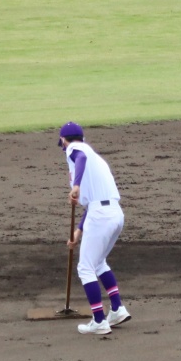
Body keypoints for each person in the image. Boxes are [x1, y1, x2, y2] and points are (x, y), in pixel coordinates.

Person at [57, 122, 129, 336]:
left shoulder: (76, 149)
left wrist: (76, 185)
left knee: (85, 268)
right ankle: (117, 309)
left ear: (63, 140)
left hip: (100, 216)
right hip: (114, 214)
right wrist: (79, 231)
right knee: (98, 263)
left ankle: (98, 320)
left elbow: (79, 158)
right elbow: (93, 203)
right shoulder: (96, 158)